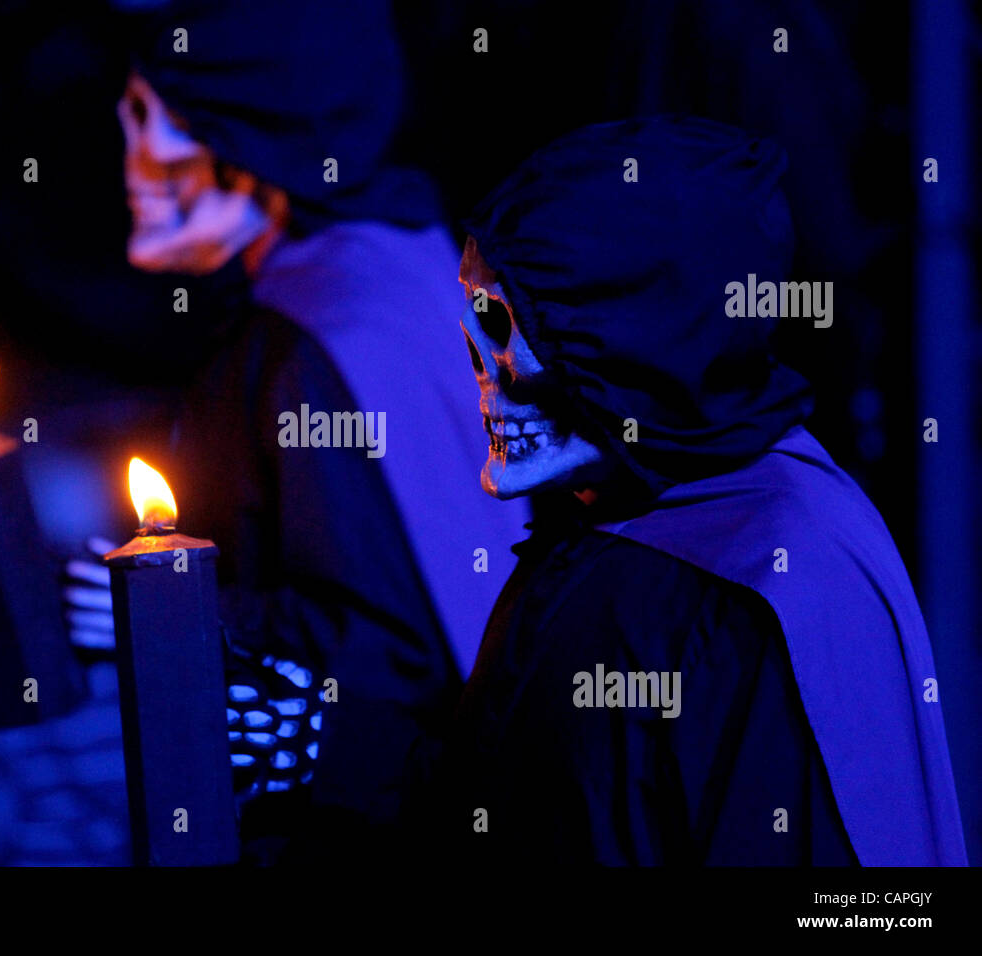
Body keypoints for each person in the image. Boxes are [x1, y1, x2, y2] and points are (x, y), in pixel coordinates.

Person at [417, 116, 967, 866]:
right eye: (477, 315)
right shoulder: (608, 527)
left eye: (511, 324)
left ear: (641, 352)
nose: (481, 365)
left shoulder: (772, 578)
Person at [67, 0, 527, 858]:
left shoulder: (311, 344)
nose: (128, 158)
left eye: (146, 118)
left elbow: (396, 650)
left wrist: (173, 607)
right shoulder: (402, 255)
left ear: (243, 136)